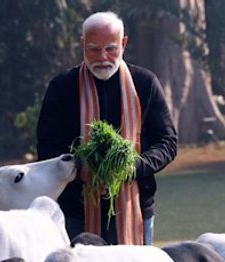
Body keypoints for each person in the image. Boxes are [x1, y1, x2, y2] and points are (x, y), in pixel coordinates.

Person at [37, 11, 176, 245]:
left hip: (136, 207)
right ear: (82, 44)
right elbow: (47, 145)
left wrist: (132, 167)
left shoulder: (145, 83)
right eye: (93, 48)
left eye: (110, 48)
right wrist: (80, 169)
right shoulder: (62, 87)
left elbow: (167, 142)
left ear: (123, 44)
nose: (102, 57)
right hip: (76, 212)